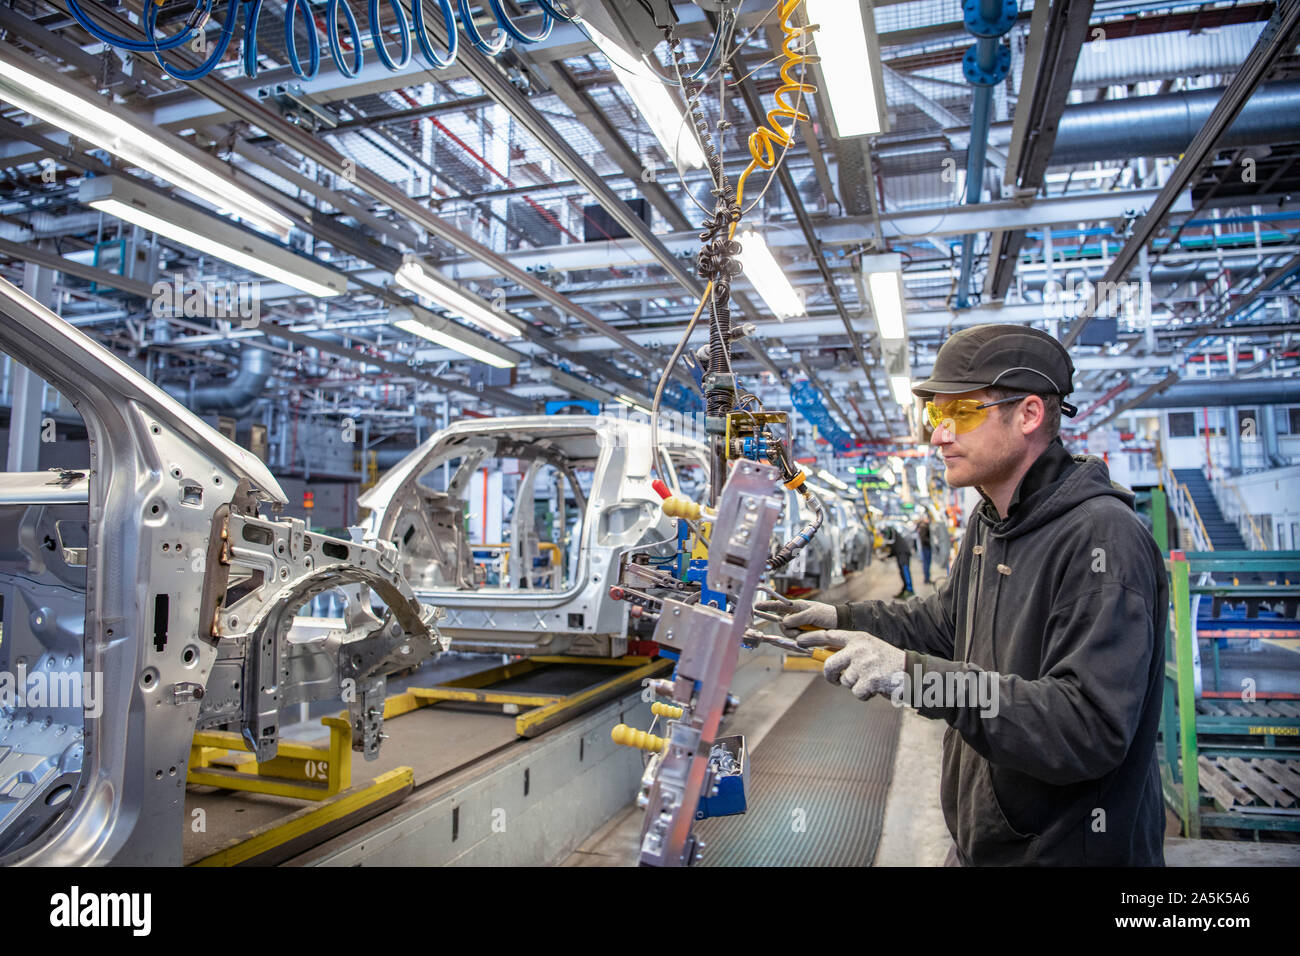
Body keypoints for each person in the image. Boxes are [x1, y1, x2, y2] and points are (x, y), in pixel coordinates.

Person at [757, 324, 1168, 866]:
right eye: (935, 415)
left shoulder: (1102, 538)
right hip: (987, 842)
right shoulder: (990, 522)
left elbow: (1085, 724)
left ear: (1028, 414)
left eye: (963, 413)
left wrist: (916, 677)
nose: (938, 436)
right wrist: (839, 615)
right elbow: (948, 624)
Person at [887, 524, 913, 598]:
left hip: (903, 554)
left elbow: (892, 545)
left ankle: (909, 590)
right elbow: (893, 548)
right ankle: (905, 589)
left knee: (905, 571)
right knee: (902, 572)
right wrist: (887, 556)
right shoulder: (894, 535)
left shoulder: (892, 534)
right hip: (900, 554)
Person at [915, 513, 933, 585]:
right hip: (926, 547)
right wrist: (930, 541)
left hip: (926, 546)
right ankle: (926, 578)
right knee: (926, 562)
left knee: (927, 562)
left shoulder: (924, 526)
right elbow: (923, 538)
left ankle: (927, 578)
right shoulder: (923, 526)